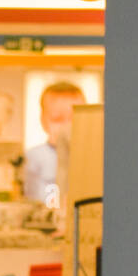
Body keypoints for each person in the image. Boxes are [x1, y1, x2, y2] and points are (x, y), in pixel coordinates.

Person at [23, 80, 85, 208]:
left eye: (74, 119)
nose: (67, 127)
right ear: (42, 120)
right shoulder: (34, 157)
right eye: (57, 119)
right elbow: (33, 197)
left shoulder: (90, 157)